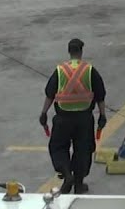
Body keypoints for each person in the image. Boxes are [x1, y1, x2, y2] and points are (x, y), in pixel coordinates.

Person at [40, 38, 107, 194]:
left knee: (58, 147)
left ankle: (66, 173)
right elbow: (100, 95)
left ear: (69, 51)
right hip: (84, 118)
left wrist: (43, 113)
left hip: (63, 118)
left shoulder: (60, 70)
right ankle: (78, 183)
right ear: (81, 52)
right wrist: (102, 116)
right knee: (83, 149)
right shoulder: (89, 70)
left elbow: (50, 94)